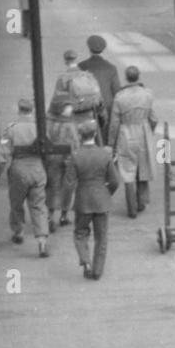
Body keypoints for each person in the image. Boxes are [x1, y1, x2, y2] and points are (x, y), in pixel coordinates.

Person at [0, 97, 49, 257]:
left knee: (16, 203)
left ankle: (19, 232)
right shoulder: (40, 128)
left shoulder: (11, 129)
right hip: (38, 169)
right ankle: (42, 241)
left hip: (18, 170)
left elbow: (3, 155)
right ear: (32, 111)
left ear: (19, 110)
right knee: (38, 205)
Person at [66, 119, 119, 279]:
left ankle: (85, 261)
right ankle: (97, 271)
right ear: (95, 134)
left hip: (83, 201)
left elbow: (69, 183)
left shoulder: (75, 156)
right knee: (101, 238)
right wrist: (106, 192)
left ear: (81, 136)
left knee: (80, 233)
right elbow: (115, 180)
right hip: (102, 200)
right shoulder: (104, 154)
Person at [107, 65, 157, 218]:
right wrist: (150, 130)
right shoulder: (147, 94)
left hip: (126, 133)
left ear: (126, 77)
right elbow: (153, 118)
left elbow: (114, 123)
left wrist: (111, 143)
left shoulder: (120, 97)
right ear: (139, 76)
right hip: (143, 132)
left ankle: (131, 209)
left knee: (128, 171)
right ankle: (141, 201)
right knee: (143, 167)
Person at [53, 47, 104, 143]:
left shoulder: (63, 79)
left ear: (65, 62)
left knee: (76, 145)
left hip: (73, 119)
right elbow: (99, 99)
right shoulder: (88, 75)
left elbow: (58, 103)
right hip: (89, 116)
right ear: (76, 60)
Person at [45, 100, 79, 229]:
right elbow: (75, 143)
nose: (71, 108)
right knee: (68, 188)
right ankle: (64, 216)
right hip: (68, 159)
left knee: (53, 187)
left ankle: (49, 216)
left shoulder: (49, 122)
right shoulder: (69, 124)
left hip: (52, 158)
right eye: (68, 106)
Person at [80, 34, 121, 142]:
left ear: (89, 48)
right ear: (103, 50)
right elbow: (116, 91)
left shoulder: (82, 66)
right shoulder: (111, 68)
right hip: (106, 106)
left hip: (87, 106)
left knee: (87, 136)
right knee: (104, 137)